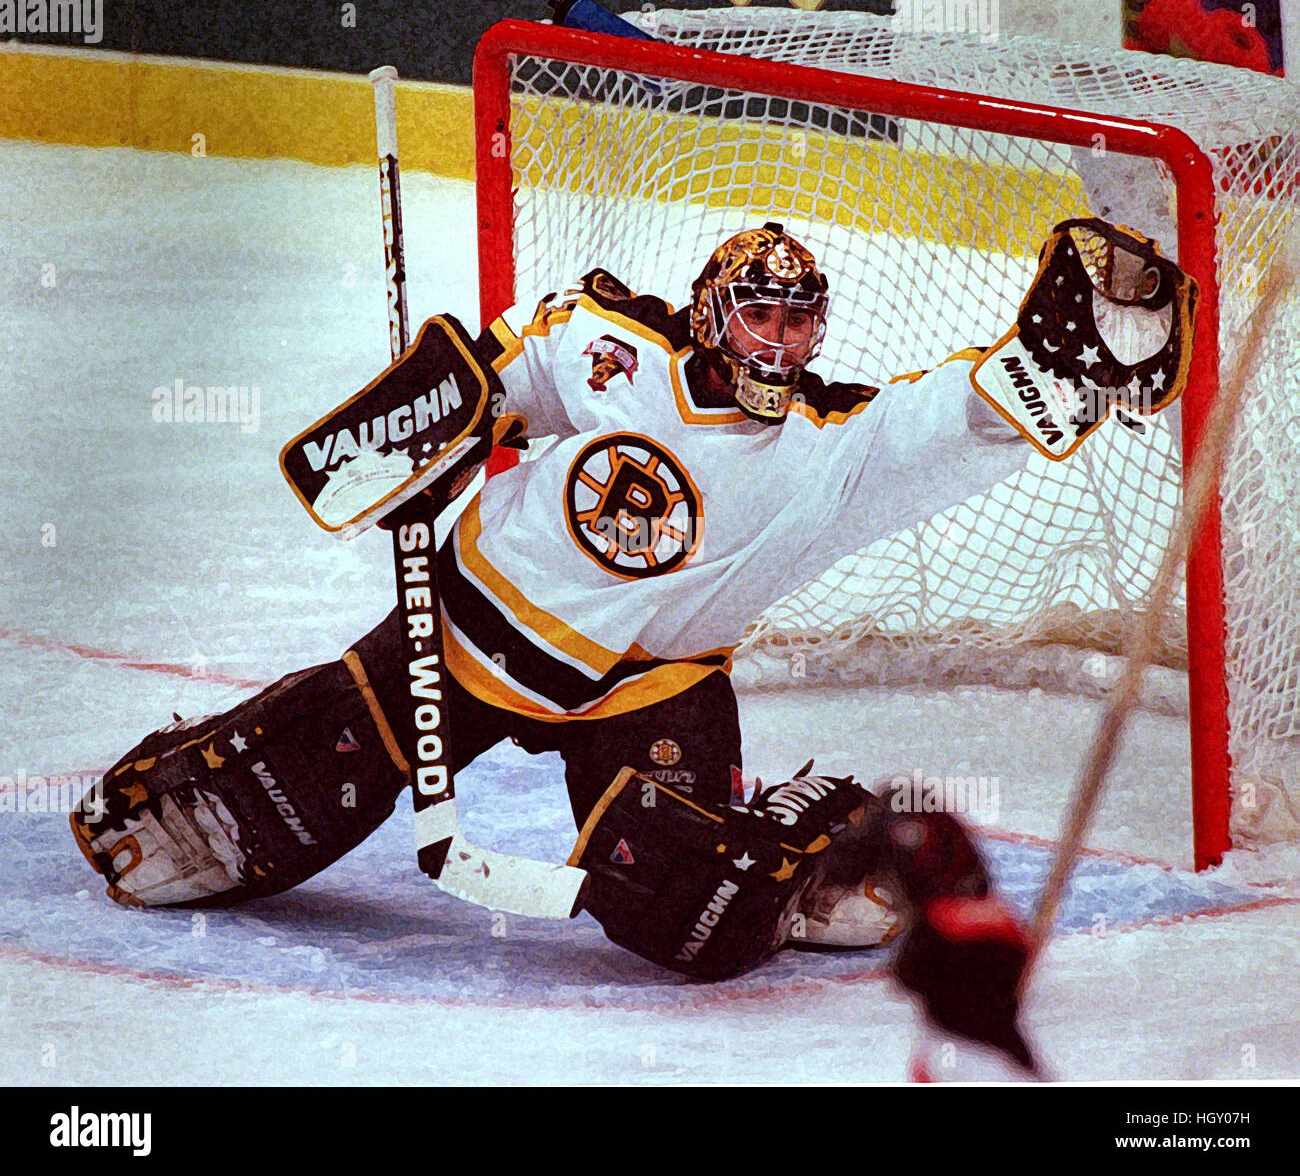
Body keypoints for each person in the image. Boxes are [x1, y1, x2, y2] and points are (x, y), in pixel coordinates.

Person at [69, 221, 1189, 1039]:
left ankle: (822, 839)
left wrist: (1078, 354)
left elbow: (967, 408)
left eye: (801, 318)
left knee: (693, 915)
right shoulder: (614, 345)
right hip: (459, 633)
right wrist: (429, 431)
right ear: (712, 312)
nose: (782, 338)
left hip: (645, 689)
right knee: (226, 816)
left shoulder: (825, 441)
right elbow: (491, 375)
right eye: (759, 311)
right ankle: (243, 735)